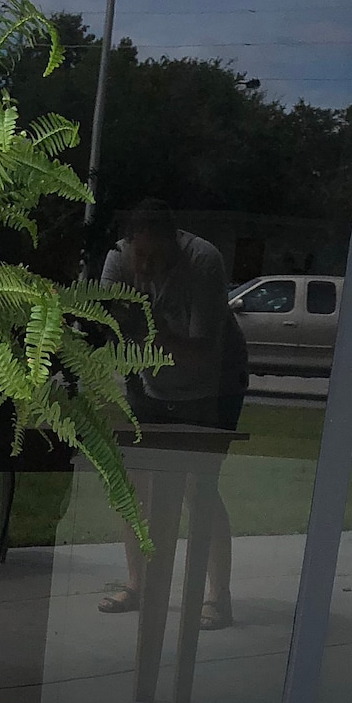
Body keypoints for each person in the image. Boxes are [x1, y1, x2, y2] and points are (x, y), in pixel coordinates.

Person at [98, 200, 249, 627]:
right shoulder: (117, 261)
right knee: (135, 486)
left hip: (213, 384)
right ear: (128, 245)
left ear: (175, 243)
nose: (144, 268)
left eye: (155, 257)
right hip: (148, 380)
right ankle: (139, 585)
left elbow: (202, 351)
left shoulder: (202, 262)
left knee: (198, 488)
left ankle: (218, 597)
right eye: (138, 256)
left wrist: (149, 331)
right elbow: (103, 319)